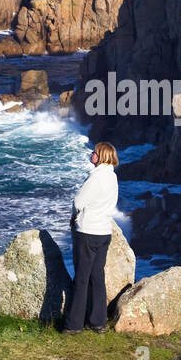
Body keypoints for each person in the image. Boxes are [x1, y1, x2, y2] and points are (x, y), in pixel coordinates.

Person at [63, 141, 119, 335]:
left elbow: (78, 201)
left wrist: (73, 216)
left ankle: (73, 325)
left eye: (95, 152)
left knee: (81, 279)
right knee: (97, 277)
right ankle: (98, 322)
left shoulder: (96, 177)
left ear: (101, 157)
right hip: (104, 232)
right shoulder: (112, 177)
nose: (92, 154)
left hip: (87, 232)